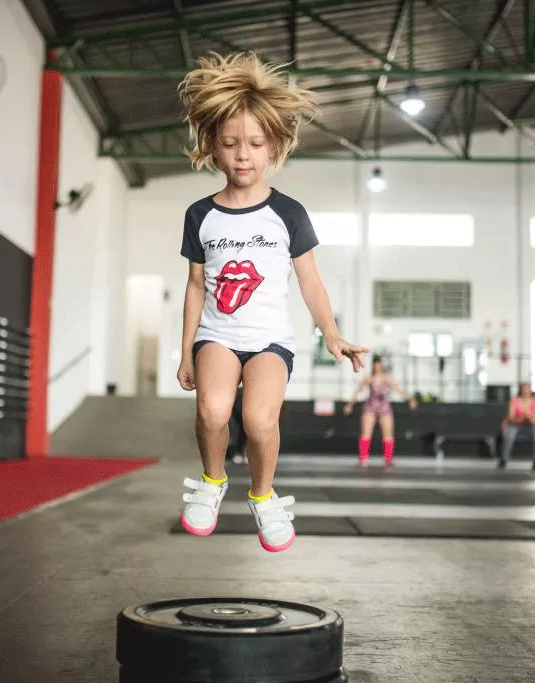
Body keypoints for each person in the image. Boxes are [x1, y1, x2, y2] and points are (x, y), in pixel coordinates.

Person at [174, 52, 369, 553]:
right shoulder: (201, 215)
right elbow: (196, 285)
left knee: (260, 420)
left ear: (275, 147)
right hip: (217, 334)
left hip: (269, 343)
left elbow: (310, 282)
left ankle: (264, 496)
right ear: (212, 147)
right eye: (231, 143)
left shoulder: (287, 213)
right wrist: (185, 350)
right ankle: (213, 482)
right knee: (214, 409)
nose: (243, 155)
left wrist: (332, 333)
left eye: (256, 144)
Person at [343, 355, 417, 469]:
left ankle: (388, 459)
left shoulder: (387, 378)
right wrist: (350, 404)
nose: (377, 367)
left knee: (388, 435)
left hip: (384, 408)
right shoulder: (369, 378)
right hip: (370, 407)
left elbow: (399, 390)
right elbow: (358, 391)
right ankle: (363, 459)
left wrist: (410, 400)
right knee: (366, 434)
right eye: (375, 365)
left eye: (379, 365)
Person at [499, 381, 535, 471]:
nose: (526, 391)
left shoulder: (534, 402)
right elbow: (510, 417)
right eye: (524, 389)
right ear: (521, 390)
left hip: (529, 427)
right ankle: (504, 460)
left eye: (527, 389)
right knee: (510, 435)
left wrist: (529, 418)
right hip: (515, 426)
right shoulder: (514, 401)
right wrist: (520, 418)